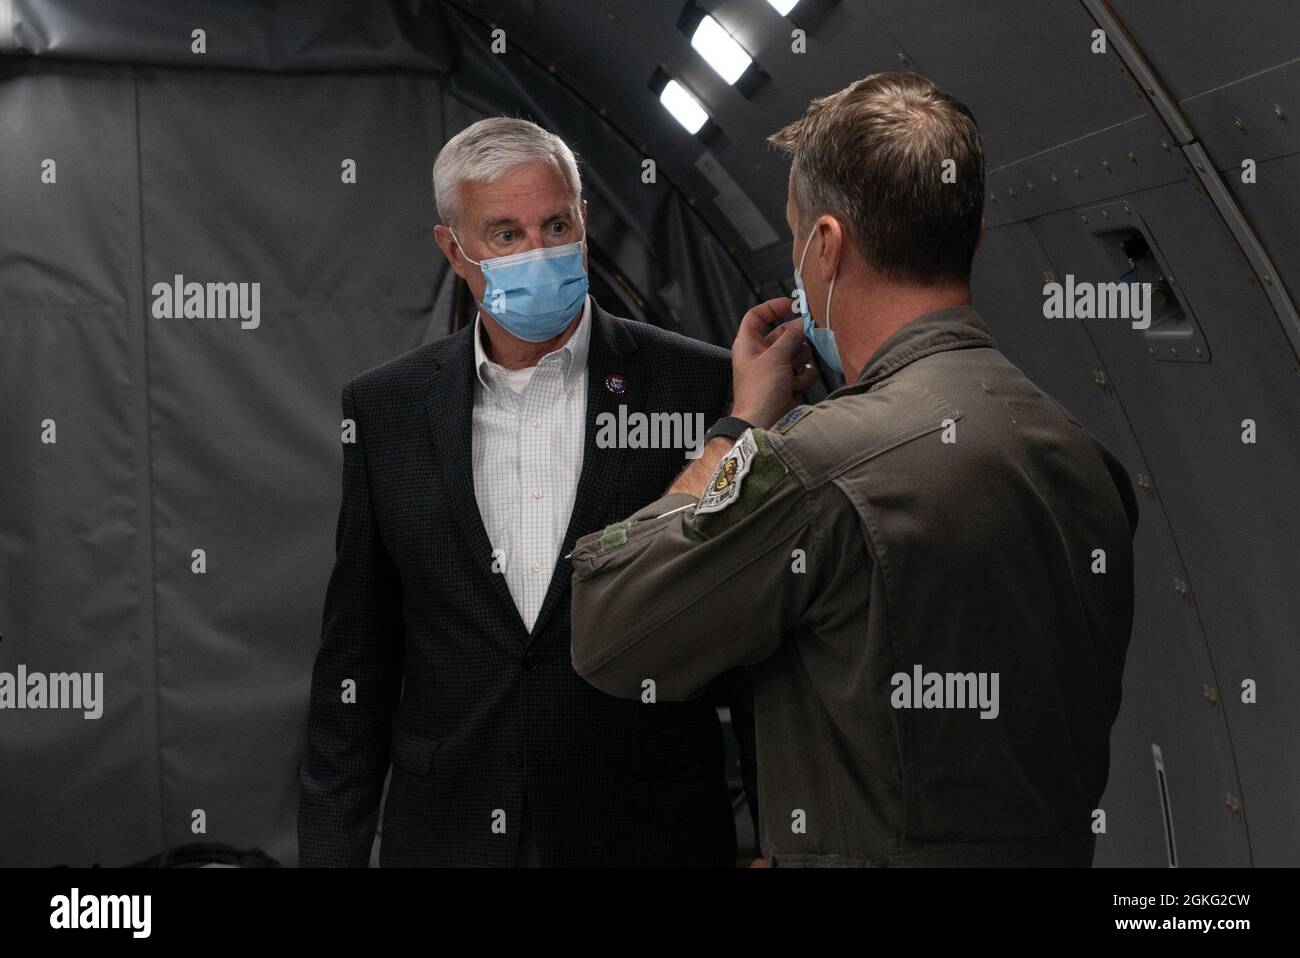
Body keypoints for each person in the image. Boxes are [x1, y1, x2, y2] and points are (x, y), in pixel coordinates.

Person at [569, 73, 1140, 867]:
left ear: (828, 246)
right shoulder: (1085, 455)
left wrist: (737, 427)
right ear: (971, 237)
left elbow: (610, 630)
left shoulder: (818, 467)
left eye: (799, 237)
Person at [298, 117, 757, 867]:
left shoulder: (696, 385)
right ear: (455, 249)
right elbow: (356, 660)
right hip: (449, 834)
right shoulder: (385, 413)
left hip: (646, 832)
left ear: (584, 221)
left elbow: (742, 632)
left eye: (556, 224)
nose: (538, 252)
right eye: (505, 234)